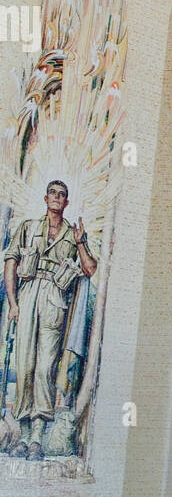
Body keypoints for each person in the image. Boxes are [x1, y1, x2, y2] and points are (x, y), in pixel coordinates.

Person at [2, 181, 96, 460]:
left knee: (45, 368)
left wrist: (80, 242)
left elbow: (90, 268)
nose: (57, 198)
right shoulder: (28, 228)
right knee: (25, 365)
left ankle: (37, 439)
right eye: (53, 193)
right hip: (28, 293)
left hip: (54, 299)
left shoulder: (72, 233)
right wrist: (13, 303)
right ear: (45, 198)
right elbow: (11, 263)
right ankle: (22, 432)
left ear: (67, 202)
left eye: (62, 194)